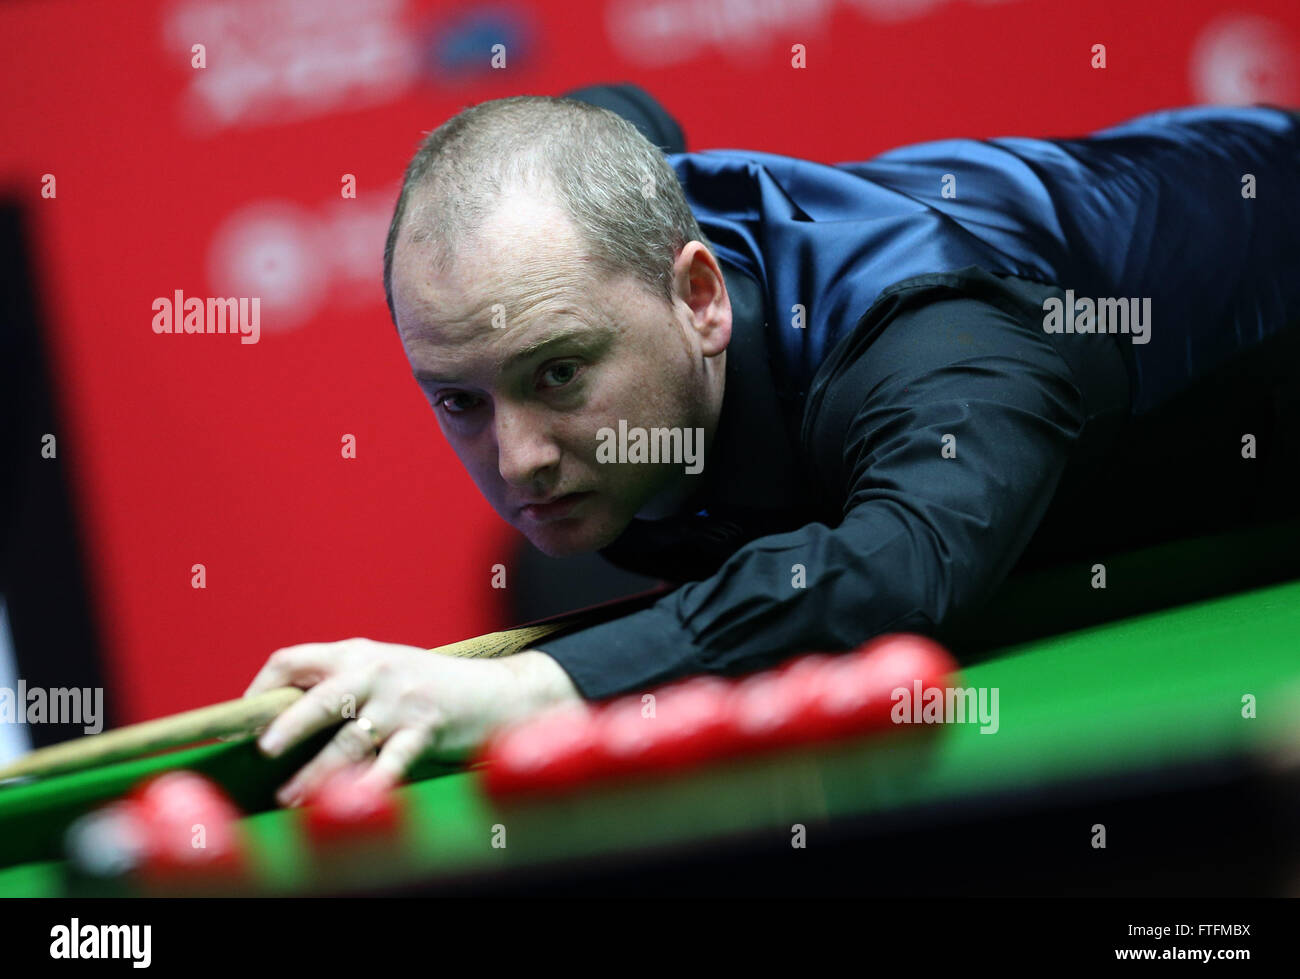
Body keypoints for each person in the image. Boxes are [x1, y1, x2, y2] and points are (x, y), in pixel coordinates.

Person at [245, 88, 1300, 805]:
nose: (516, 457)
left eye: (557, 373)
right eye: (458, 400)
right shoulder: (615, 216)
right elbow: (617, 115)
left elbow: (903, 562)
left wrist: (526, 690)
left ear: (699, 295)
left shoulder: (938, 340)